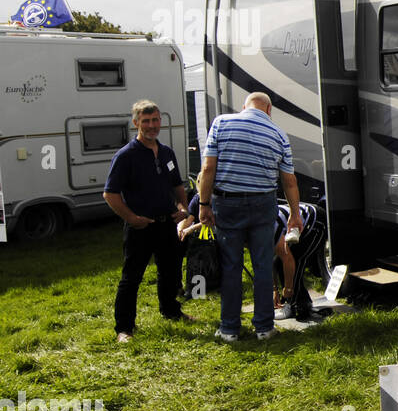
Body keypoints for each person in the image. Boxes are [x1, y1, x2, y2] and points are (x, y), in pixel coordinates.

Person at [197, 92, 301, 341]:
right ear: (268, 110)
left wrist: (203, 204)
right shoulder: (279, 134)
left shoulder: (221, 123)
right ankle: (264, 328)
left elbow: (208, 168)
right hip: (263, 203)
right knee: (263, 265)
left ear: (244, 107)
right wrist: (295, 214)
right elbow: (289, 181)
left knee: (231, 265)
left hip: (228, 203)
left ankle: (229, 329)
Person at [102, 99, 192, 342]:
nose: (151, 126)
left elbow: (177, 184)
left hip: (167, 224)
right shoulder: (126, 156)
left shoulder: (166, 152)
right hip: (140, 227)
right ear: (136, 123)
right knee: (131, 278)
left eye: (155, 120)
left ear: (160, 121)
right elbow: (110, 194)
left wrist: (183, 207)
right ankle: (124, 328)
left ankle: (171, 311)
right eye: (146, 121)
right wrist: (131, 218)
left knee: (170, 271)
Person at [272, 201, 326, 321]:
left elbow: (288, 260)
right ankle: (303, 303)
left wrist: (288, 289)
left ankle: (293, 305)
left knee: (295, 260)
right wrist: (274, 290)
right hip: (298, 222)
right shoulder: (256, 233)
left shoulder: (270, 227)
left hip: (315, 219)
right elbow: (268, 260)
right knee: (279, 262)